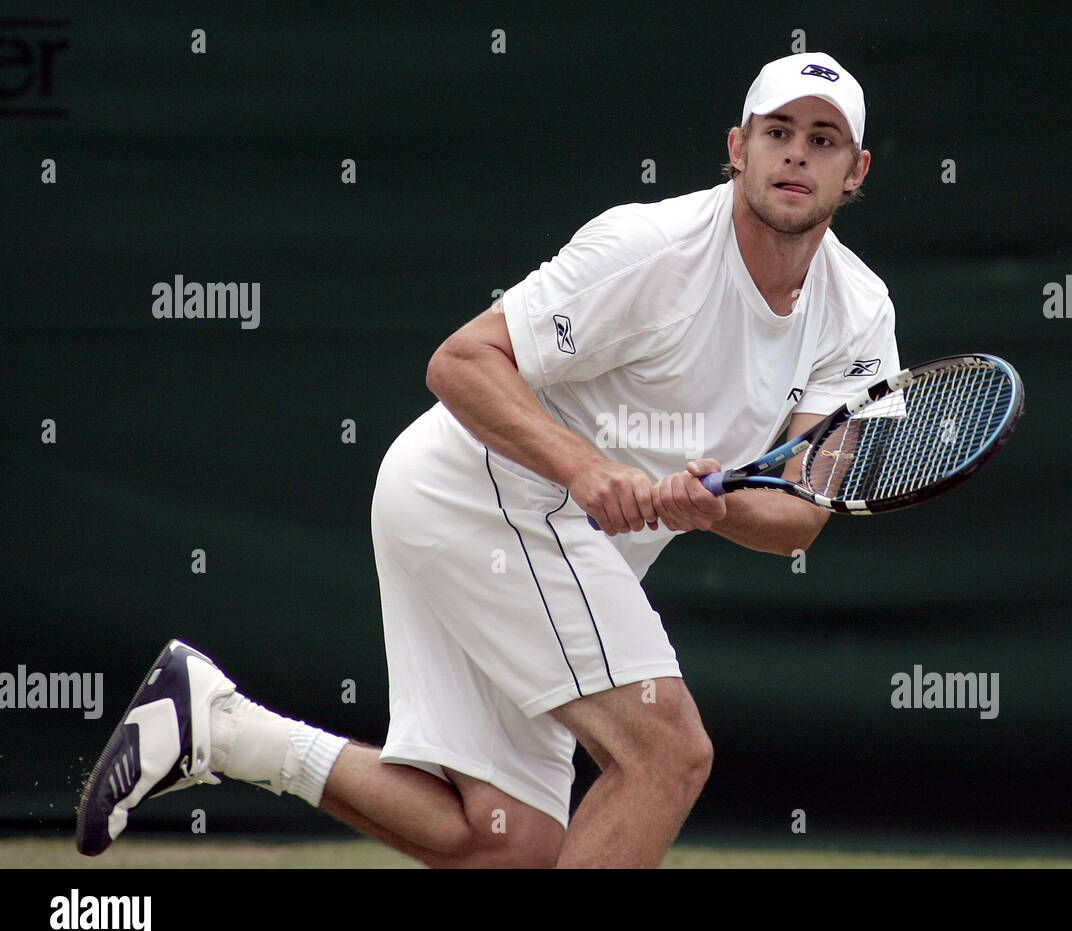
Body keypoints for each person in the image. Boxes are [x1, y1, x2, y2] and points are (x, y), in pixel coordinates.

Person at [76, 52, 900, 868]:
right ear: (737, 147)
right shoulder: (649, 247)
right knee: (666, 753)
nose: (797, 152)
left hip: (507, 525)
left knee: (504, 842)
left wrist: (708, 505)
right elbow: (461, 361)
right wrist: (586, 469)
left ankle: (222, 729)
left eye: (824, 139)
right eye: (778, 130)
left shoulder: (861, 311)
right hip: (482, 490)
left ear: (855, 169)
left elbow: (797, 517)